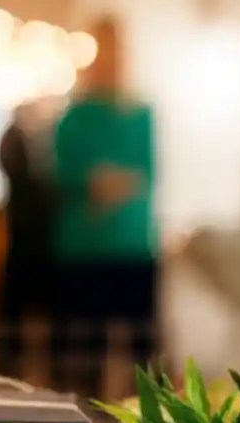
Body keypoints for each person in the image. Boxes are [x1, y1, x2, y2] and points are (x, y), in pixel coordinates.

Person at [51, 16, 158, 396]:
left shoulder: (141, 114)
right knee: (81, 356)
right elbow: (69, 177)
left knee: (140, 357)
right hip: (84, 253)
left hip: (132, 249)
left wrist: (106, 183)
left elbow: (142, 173)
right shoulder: (73, 118)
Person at [0, 100, 58, 380]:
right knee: (14, 307)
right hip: (21, 236)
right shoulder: (12, 139)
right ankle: (8, 365)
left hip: (45, 239)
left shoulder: (48, 142)